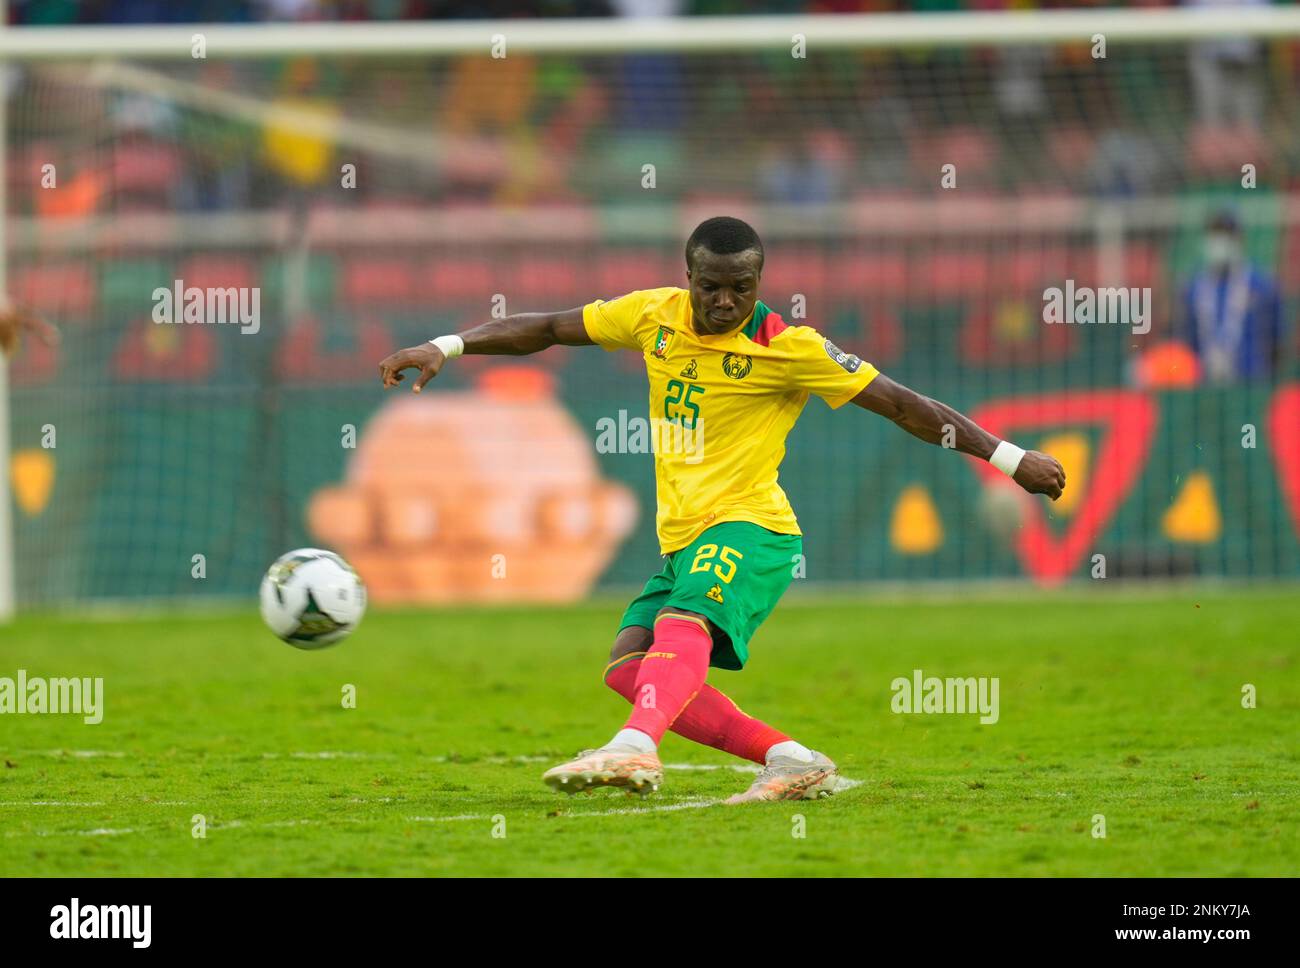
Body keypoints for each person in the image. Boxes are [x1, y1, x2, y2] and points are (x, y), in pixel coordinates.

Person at [377, 217, 1065, 803]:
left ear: (760, 283)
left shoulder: (789, 349)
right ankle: (793, 760)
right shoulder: (652, 315)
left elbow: (905, 405)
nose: (726, 301)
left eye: (743, 287)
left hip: (753, 528)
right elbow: (550, 328)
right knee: (628, 668)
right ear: (689, 277)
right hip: (684, 538)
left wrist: (1011, 460)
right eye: (711, 286)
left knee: (683, 625)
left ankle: (635, 748)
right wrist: (446, 345)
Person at [1181, 210, 1283, 383]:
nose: (1220, 242)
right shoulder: (1193, 287)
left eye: (1227, 234)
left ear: (1239, 239)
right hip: (1205, 385)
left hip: (1252, 384)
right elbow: (1188, 341)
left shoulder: (1263, 285)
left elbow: (1276, 340)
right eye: (1215, 234)